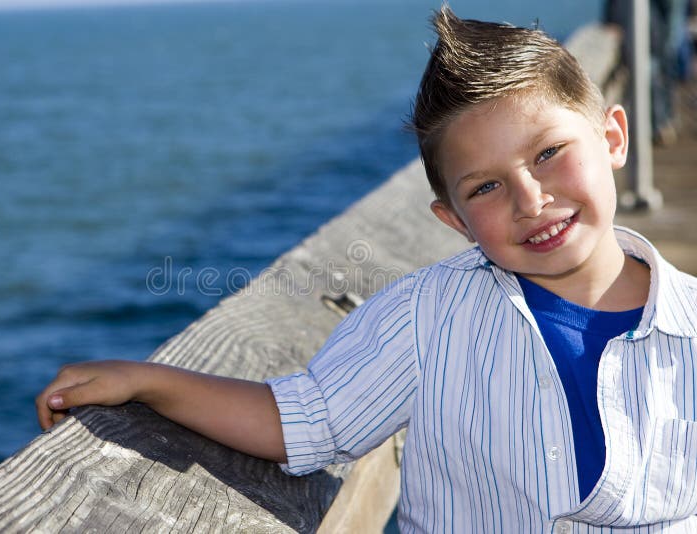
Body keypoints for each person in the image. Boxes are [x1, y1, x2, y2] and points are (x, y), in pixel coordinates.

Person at [36, 6, 697, 532]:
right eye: (485, 188)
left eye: (549, 152)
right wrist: (148, 381)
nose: (531, 199)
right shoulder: (424, 319)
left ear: (613, 138)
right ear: (453, 220)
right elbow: (306, 420)